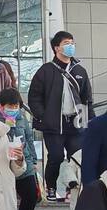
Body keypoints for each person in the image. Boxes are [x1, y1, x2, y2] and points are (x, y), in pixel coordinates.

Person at [28, 30, 93, 199]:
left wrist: (88, 121)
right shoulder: (46, 70)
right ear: (56, 48)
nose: (70, 46)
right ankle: (50, 186)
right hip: (53, 124)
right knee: (55, 157)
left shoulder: (80, 70)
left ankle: (73, 189)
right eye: (66, 43)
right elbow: (34, 96)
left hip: (75, 123)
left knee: (77, 157)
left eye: (72, 43)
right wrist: (43, 116)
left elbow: (87, 97)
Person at [0, 88, 39, 210]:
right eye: (10, 106)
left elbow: (29, 138)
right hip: (2, 164)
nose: (13, 110)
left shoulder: (21, 118)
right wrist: (6, 126)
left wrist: (33, 160)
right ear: (1, 106)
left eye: (16, 106)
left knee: (31, 196)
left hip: (23, 162)